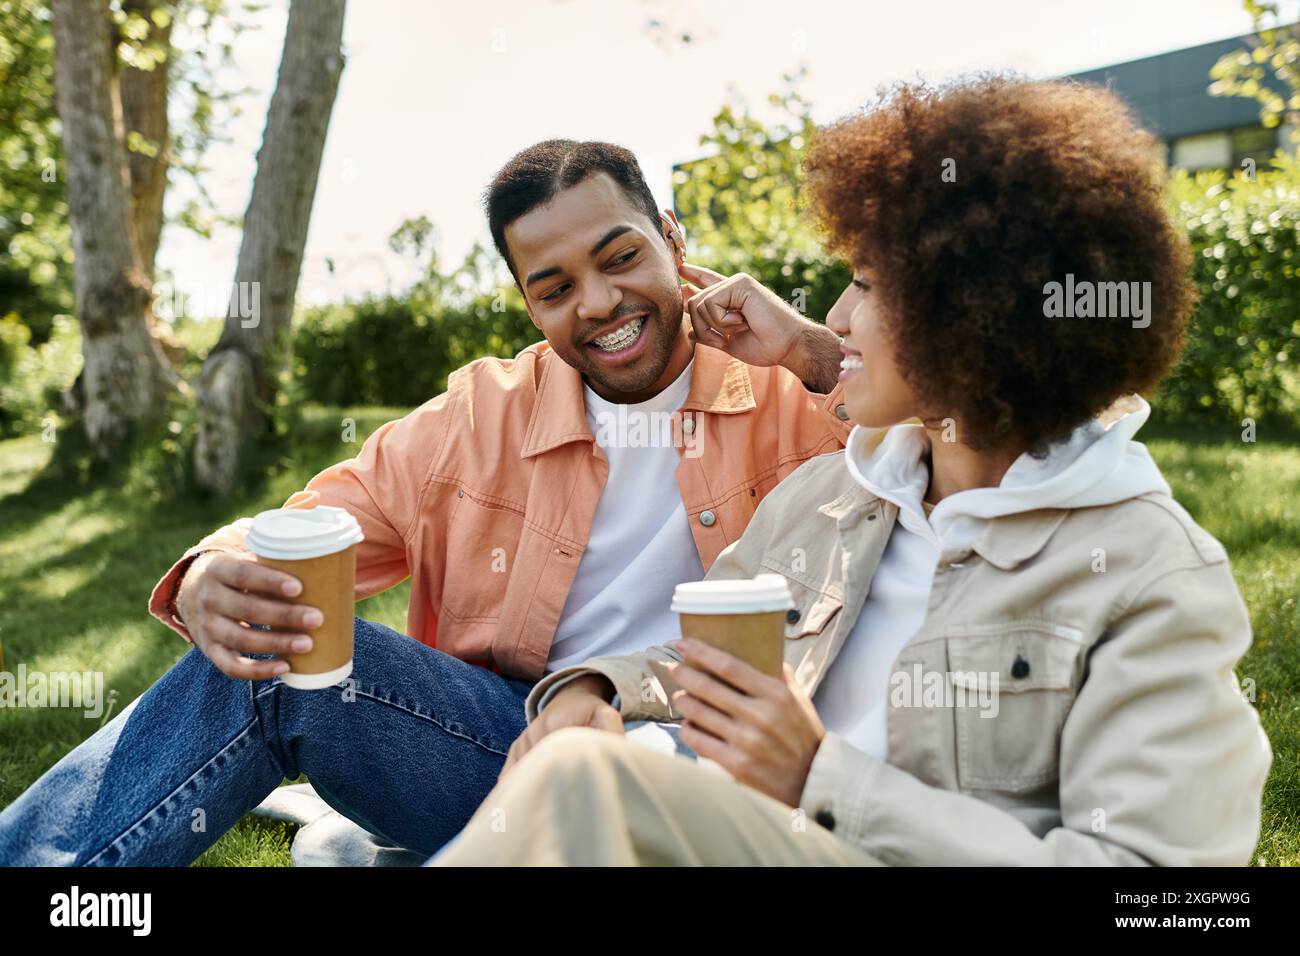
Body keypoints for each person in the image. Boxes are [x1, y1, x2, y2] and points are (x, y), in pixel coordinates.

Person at [429, 76, 1274, 867]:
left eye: (866, 285)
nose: (836, 315)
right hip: (746, 834)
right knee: (580, 765)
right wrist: (596, 689)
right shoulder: (834, 495)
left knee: (588, 788)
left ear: (977, 318)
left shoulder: (1147, 575)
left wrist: (821, 778)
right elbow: (705, 661)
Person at [0, 141, 852, 866]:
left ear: (673, 238)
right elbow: (313, 527)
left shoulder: (799, 383)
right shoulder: (479, 416)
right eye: (553, 288)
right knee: (287, 658)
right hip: (512, 760)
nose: (597, 304)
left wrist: (816, 353)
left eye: (621, 257)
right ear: (528, 301)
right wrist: (213, 573)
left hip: (724, 778)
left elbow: (968, 454)